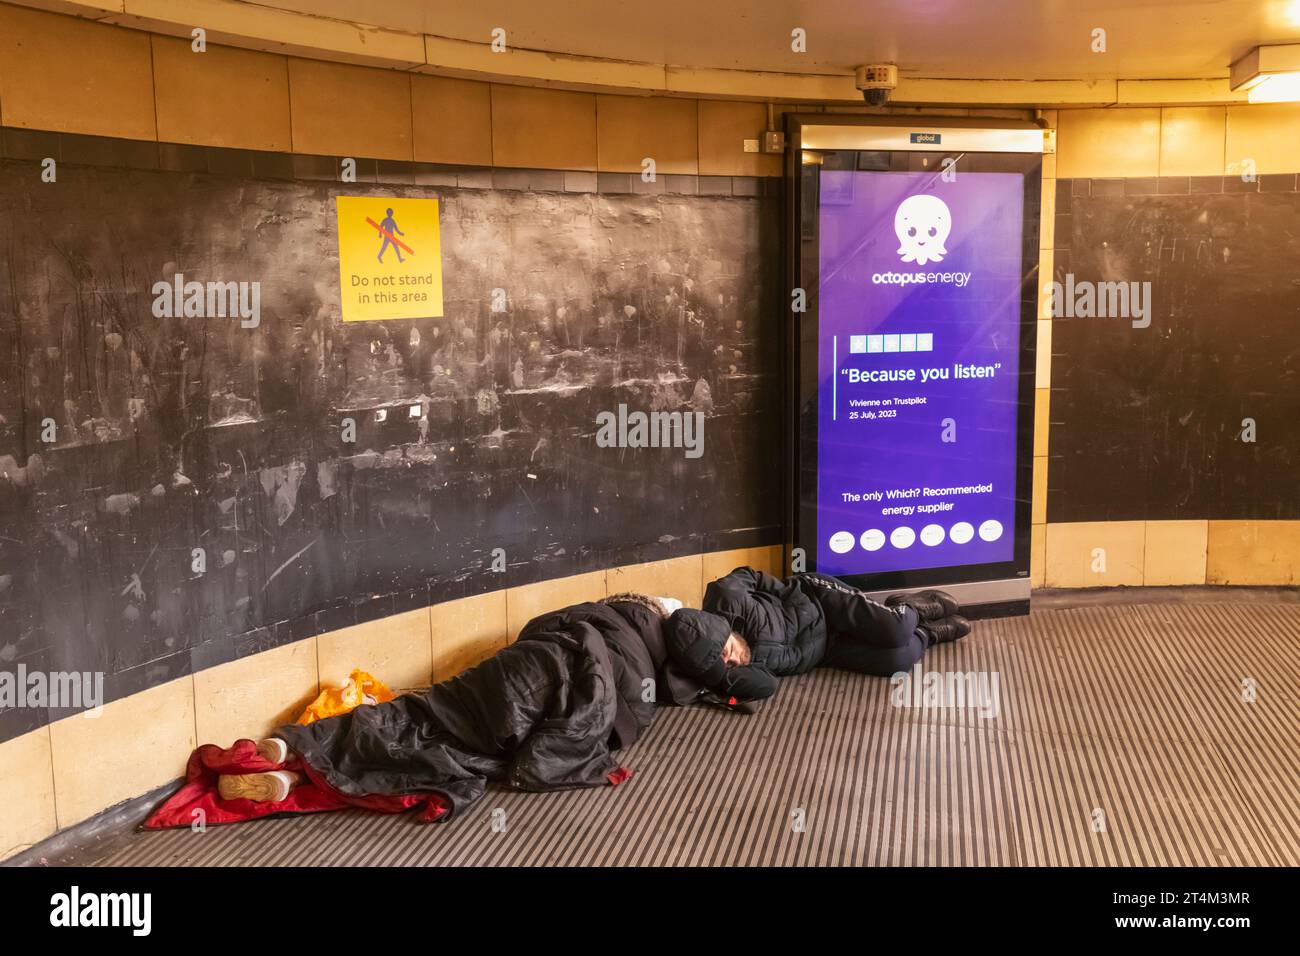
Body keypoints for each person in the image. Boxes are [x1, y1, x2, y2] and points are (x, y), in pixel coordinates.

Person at [149, 592, 777, 827]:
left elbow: (545, 624)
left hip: (531, 665)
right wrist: (732, 670)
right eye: (729, 649)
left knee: (422, 725)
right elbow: (739, 672)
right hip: (560, 688)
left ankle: (290, 757)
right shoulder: (689, 631)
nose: (723, 655)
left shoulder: (625, 615)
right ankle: (293, 769)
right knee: (442, 753)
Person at [701, 566, 971, 680]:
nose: (732, 662)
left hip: (817, 600)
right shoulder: (739, 667)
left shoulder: (726, 600)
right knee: (898, 662)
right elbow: (762, 689)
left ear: (719, 631)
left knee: (895, 629)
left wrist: (789, 593)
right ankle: (928, 632)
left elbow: (751, 575)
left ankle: (910, 606)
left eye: (725, 653)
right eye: (725, 665)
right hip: (822, 650)